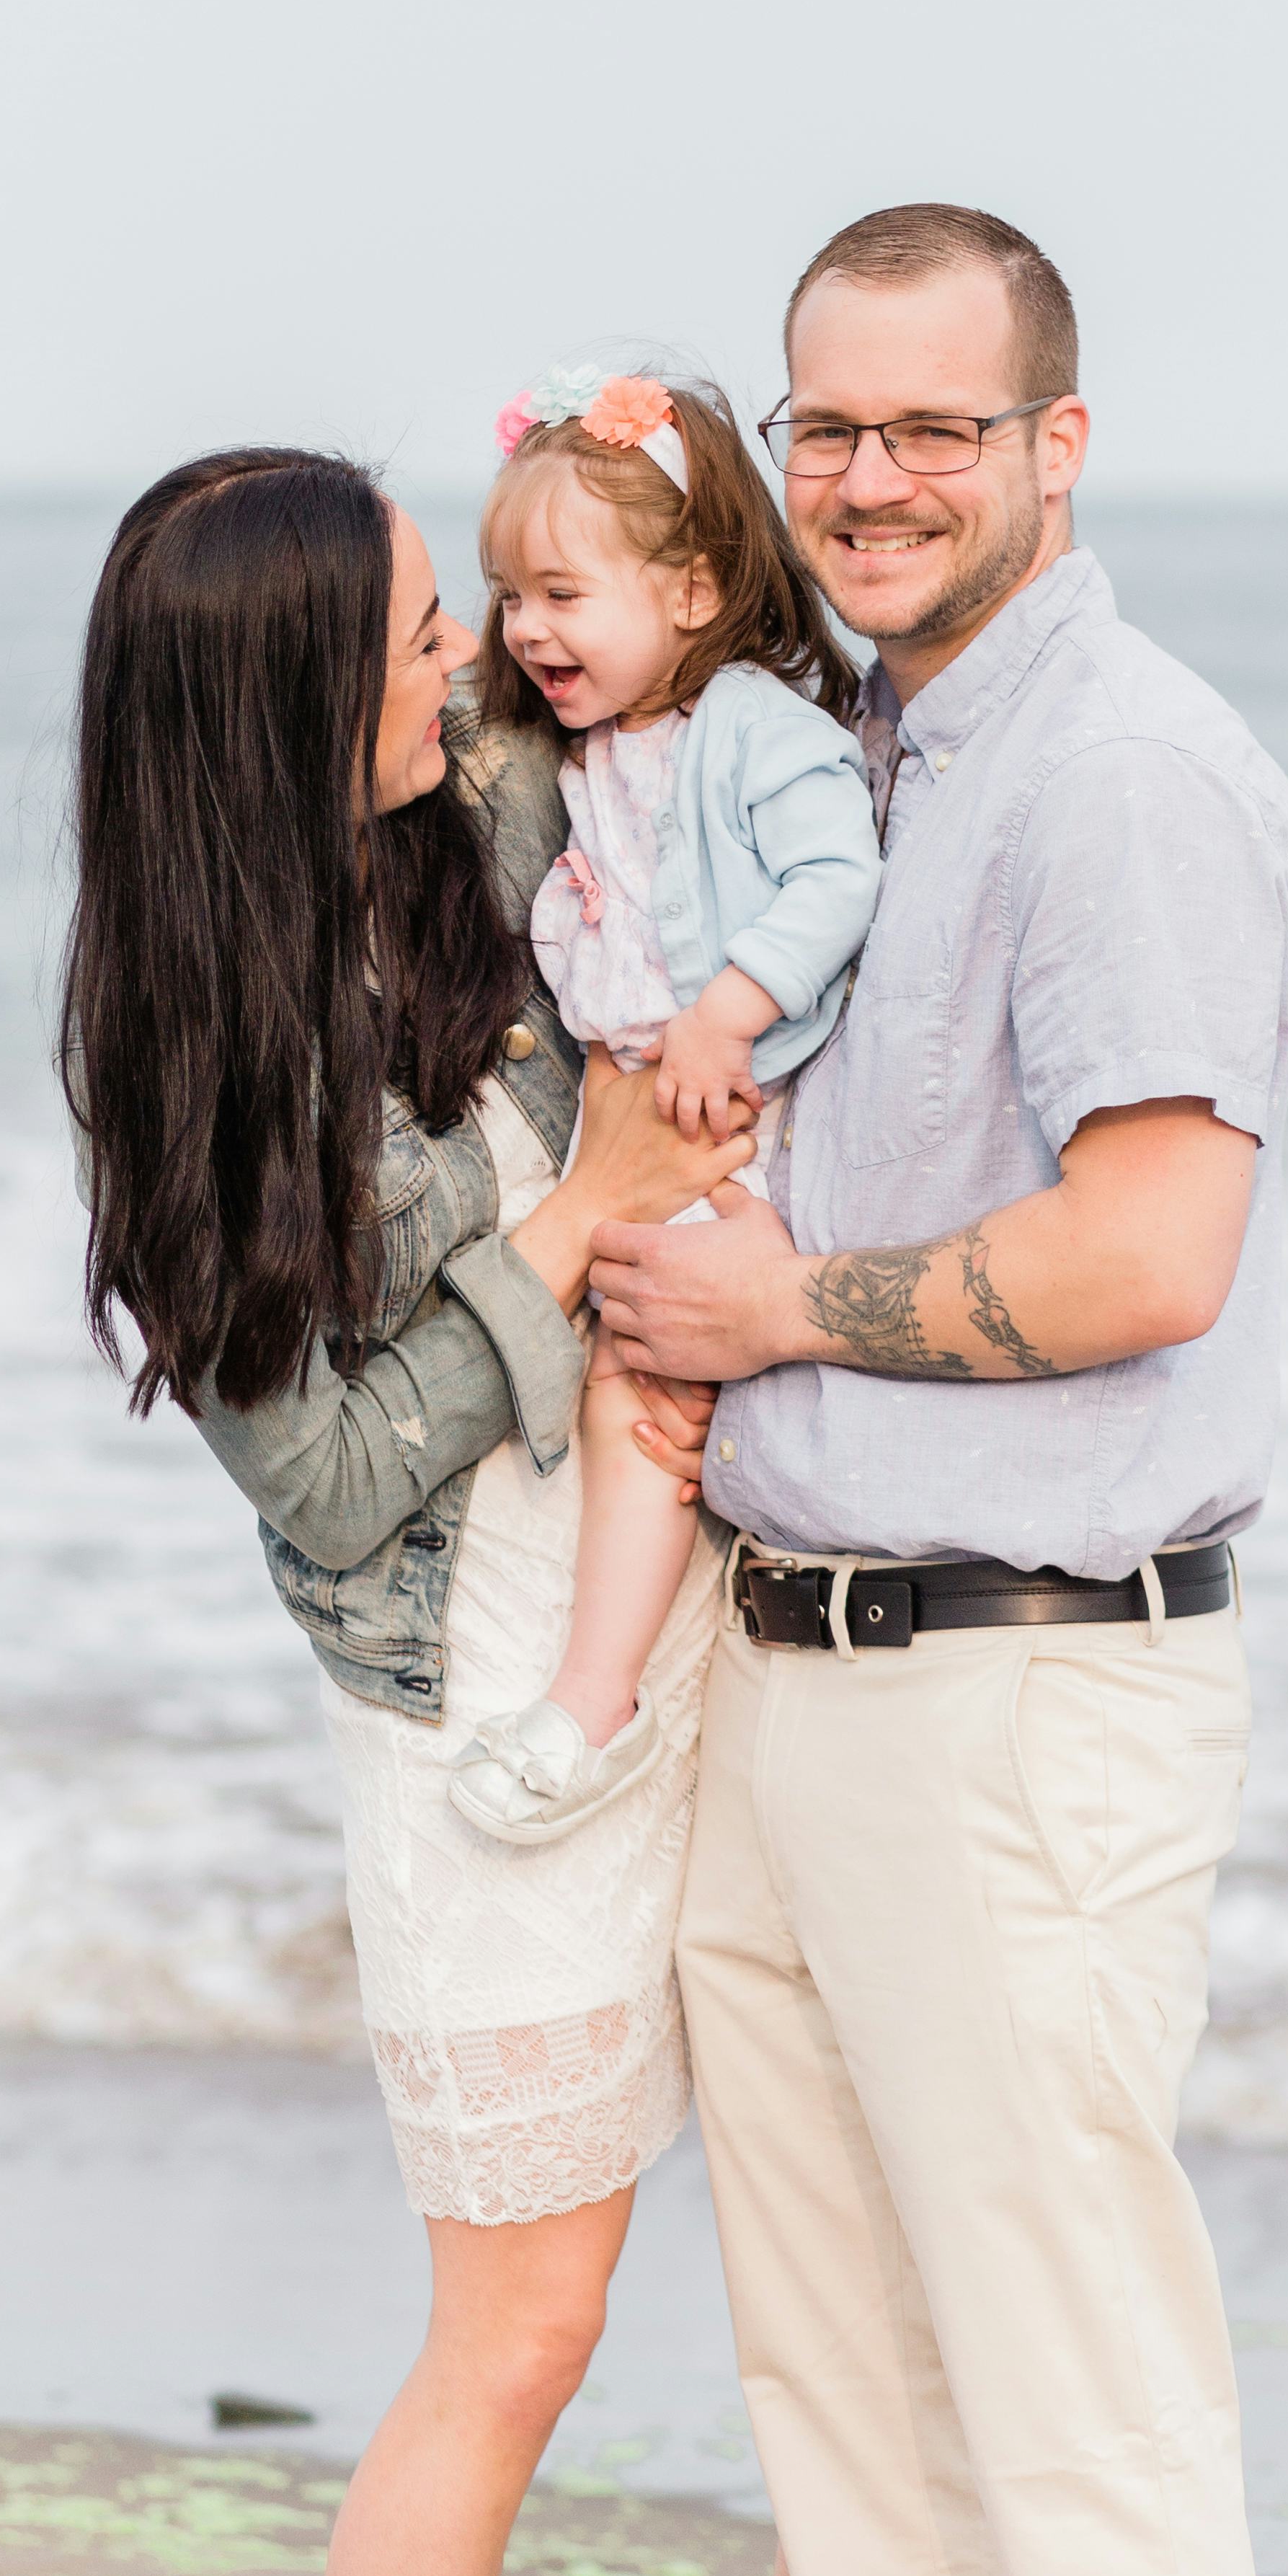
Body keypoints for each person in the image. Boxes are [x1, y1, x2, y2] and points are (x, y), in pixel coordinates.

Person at [591, 203, 1288, 2576]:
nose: (873, 478)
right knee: (845, 2402)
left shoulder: (1117, 778)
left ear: (1056, 444)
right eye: (831, 427)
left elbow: (1145, 1250)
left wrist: (774, 1314)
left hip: (1013, 1684)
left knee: (1060, 2406)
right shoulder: (849, 756)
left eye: (935, 428)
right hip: (787, 1669)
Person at [61, 448, 751, 2576]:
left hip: (713, 1613)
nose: (472, 662)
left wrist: (663, 455)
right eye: (418, 635)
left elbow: (710, 658)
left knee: (830, 2285)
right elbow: (341, 1489)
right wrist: (575, 1227)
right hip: (486, 1717)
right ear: (287, 704)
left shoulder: (487, 825)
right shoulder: (194, 1054)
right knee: (529, 2333)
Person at [448, 363, 878, 1843]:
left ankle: (594, 1696)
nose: (526, 630)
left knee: (642, 1388)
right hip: (645, 1120)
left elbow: (838, 878)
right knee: (630, 1384)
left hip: (722, 1114)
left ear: (693, 592)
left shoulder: (753, 728)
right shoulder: (601, 756)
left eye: (562, 593)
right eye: (509, 596)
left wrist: (726, 1010)